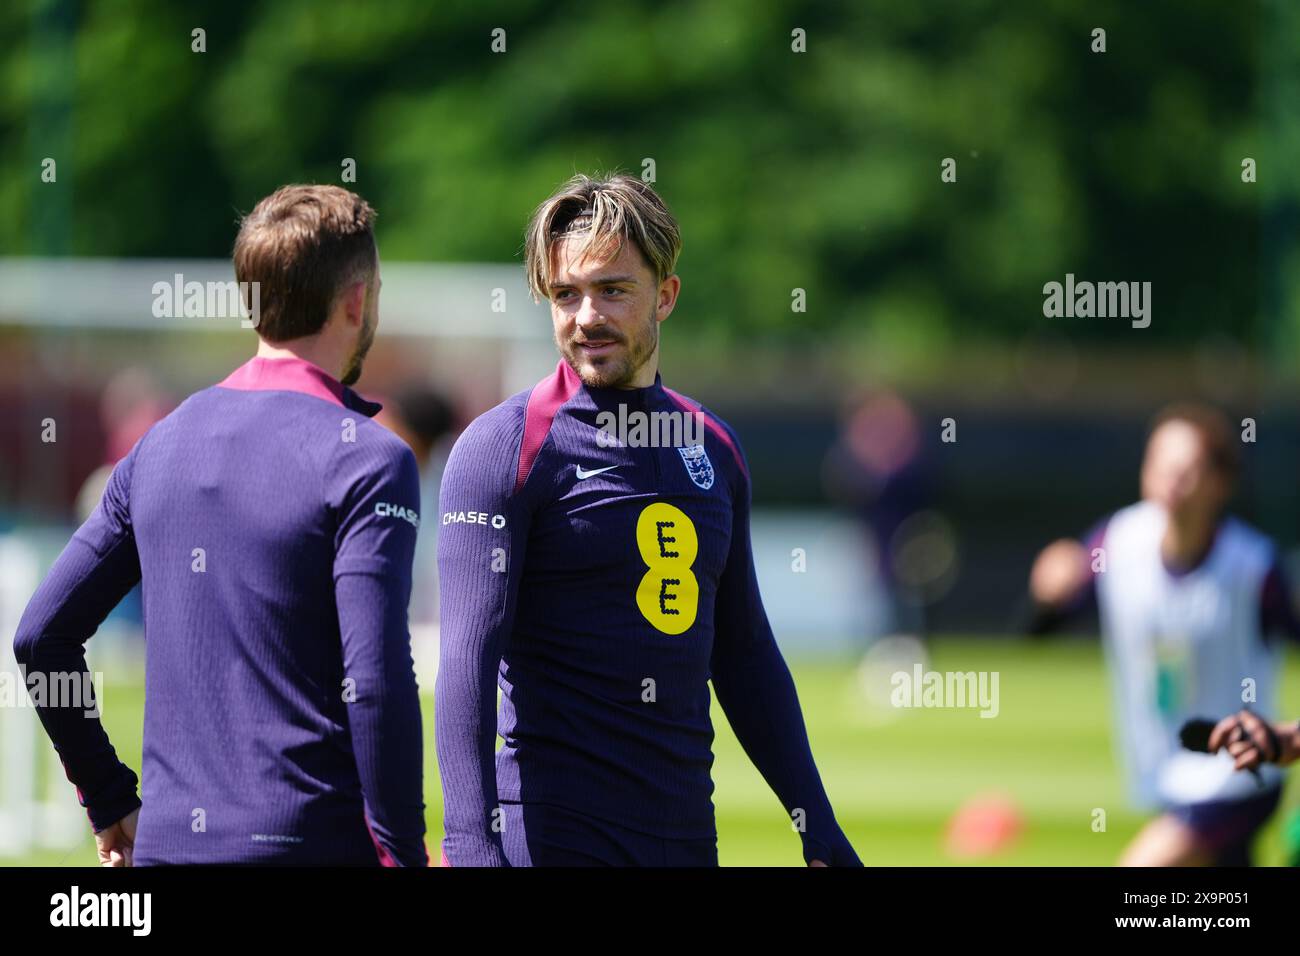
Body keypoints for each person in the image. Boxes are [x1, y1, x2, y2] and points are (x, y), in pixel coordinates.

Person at [435, 173, 859, 867]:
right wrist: (469, 845)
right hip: (551, 834)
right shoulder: (504, 448)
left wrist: (815, 820)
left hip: (685, 832)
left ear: (665, 295)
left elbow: (745, 652)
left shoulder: (712, 447)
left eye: (612, 290)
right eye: (565, 294)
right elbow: (468, 662)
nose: (586, 316)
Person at [14, 184, 427, 866]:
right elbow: (376, 681)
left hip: (167, 853)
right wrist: (406, 856)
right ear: (358, 301)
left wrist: (109, 797)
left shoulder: (159, 444)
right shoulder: (370, 458)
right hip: (312, 848)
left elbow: (41, 636)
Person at [1027, 404, 1299, 866]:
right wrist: (1049, 586)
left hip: (1234, 779)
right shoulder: (1117, 543)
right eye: (1161, 464)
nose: (1172, 479)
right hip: (1163, 774)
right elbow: (1047, 620)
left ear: (1219, 484)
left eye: (1188, 468)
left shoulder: (1252, 567)